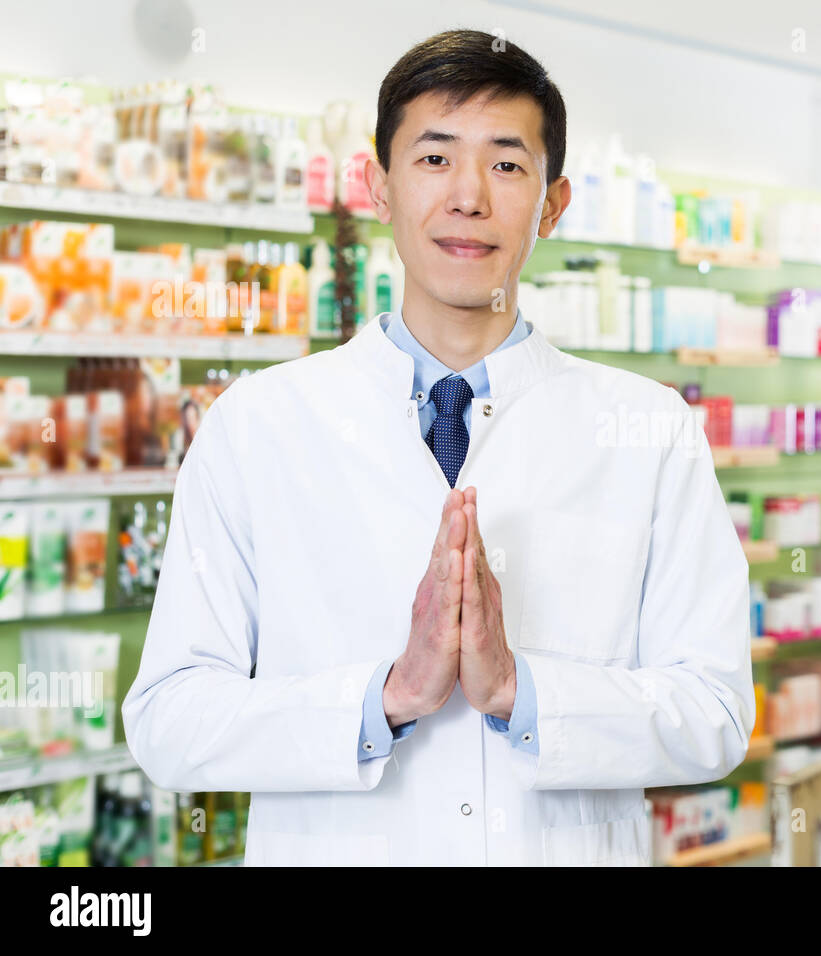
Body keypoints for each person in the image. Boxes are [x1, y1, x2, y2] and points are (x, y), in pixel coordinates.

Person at [123, 29, 754, 866]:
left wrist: (520, 694)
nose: (467, 197)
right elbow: (170, 720)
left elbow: (714, 712)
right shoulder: (256, 423)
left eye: (505, 163)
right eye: (432, 159)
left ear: (553, 203)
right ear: (377, 187)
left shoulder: (651, 429)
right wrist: (384, 699)